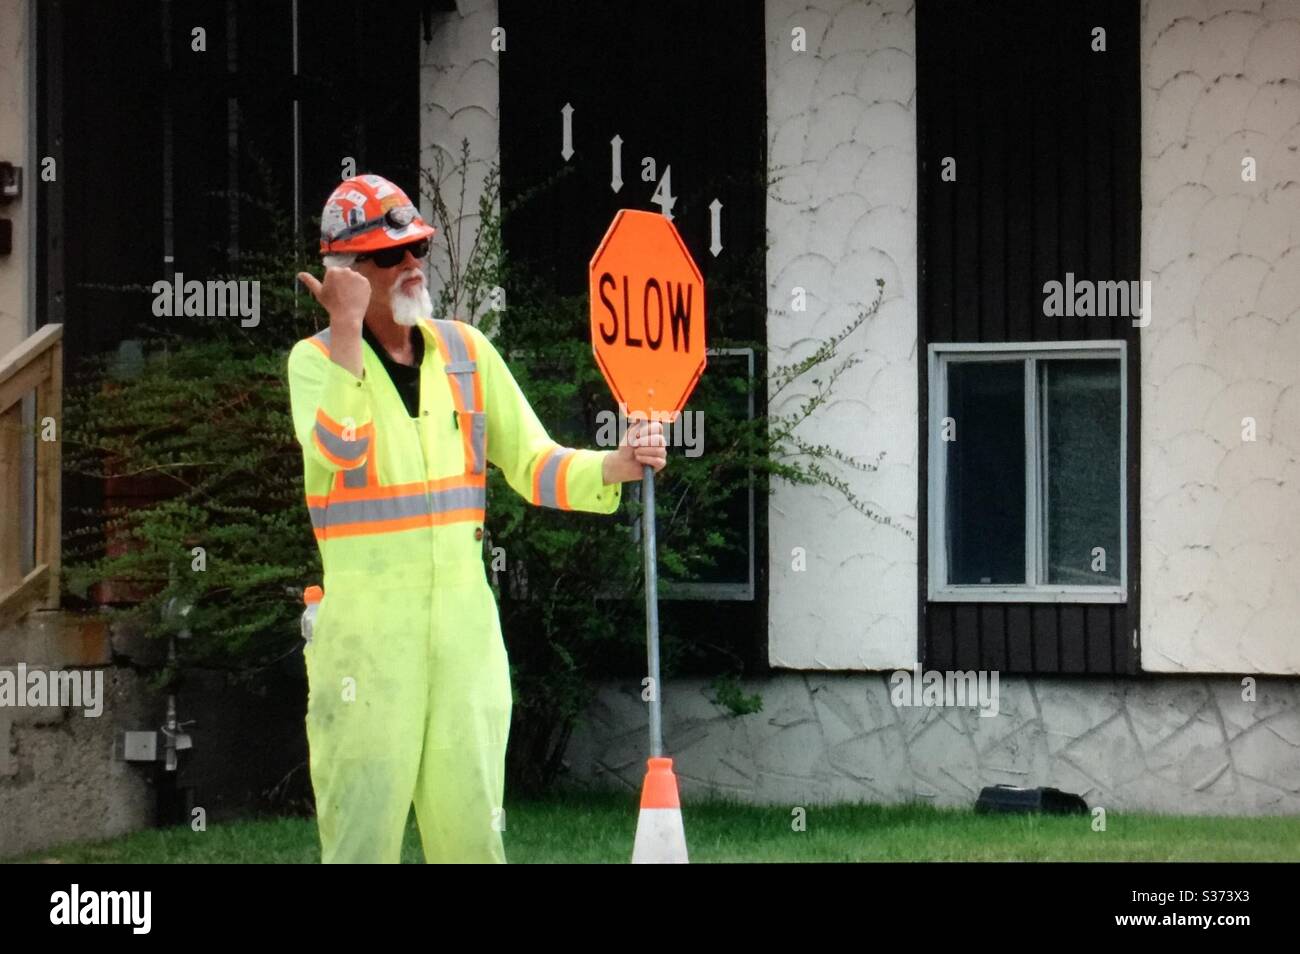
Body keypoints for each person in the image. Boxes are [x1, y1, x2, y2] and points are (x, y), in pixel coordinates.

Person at [288, 173, 666, 863]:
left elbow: (533, 463)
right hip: (366, 652)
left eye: (418, 247)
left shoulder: (465, 351)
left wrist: (613, 466)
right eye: (389, 255)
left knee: (473, 845)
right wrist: (343, 327)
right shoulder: (313, 363)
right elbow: (341, 448)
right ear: (347, 273)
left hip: (466, 642)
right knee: (360, 845)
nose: (411, 264)